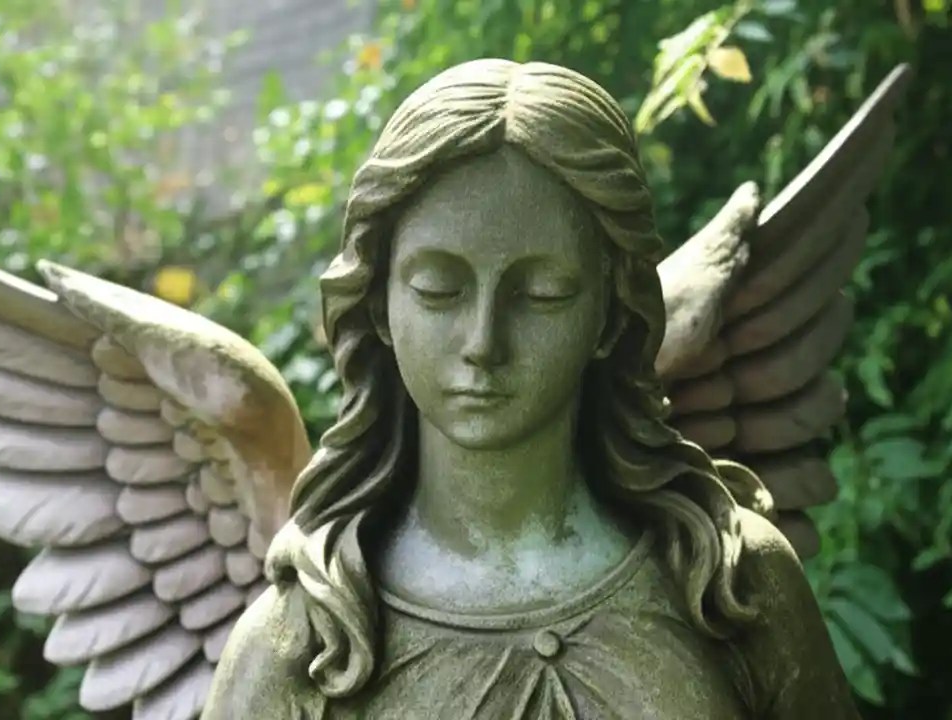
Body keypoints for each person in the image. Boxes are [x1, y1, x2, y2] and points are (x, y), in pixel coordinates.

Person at [203, 58, 859, 719]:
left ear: (611, 312)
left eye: (542, 294)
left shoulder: (735, 591)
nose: (483, 342)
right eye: (438, 290)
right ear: (379, 305)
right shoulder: (300, 646)